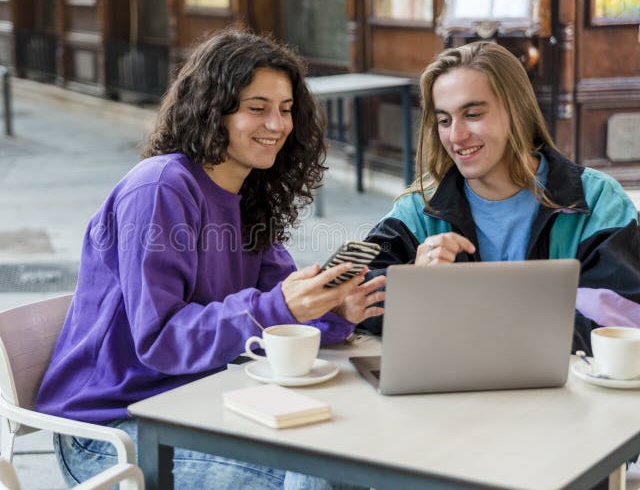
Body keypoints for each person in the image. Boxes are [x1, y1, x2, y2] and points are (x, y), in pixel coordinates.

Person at [36, 28, 386, 489]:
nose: (277, 125)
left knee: (352, 455)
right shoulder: (160, 187)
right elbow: (161, 339)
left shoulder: (246, 192)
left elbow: (273, 310)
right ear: (211, 110)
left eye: (285, 110)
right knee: (322, 477)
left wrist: (331, 311)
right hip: (111, 430)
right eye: (256, 109)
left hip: (199, 402)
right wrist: (282, 307)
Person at [362, 41, 640, 352]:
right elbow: (351, 292)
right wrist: (414, 280)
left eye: (473, 114)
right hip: (450, 391)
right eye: (444, 120)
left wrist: (470, 307)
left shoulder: (598, 200)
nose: (455, 136)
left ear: (517, 110)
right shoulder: (421, 208)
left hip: (567, 394)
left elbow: (625, 319)